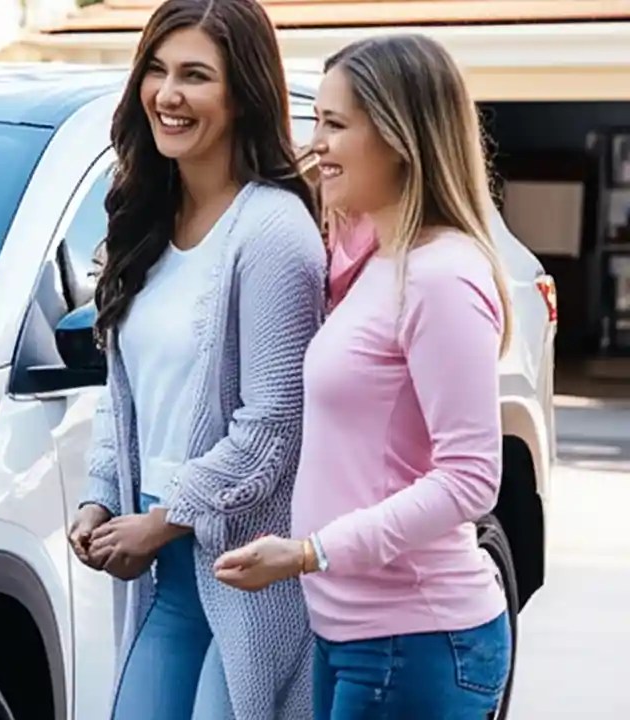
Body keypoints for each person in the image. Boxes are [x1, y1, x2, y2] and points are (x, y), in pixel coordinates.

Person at [212, 33, 515, 720]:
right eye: (317, 121)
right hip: (359, 633)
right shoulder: (379, 259)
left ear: (401, 138)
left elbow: (471, 477)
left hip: (413, 638)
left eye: (336, 125)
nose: (316, 144)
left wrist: (311, 552)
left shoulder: (440, 277)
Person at [63, 1, 326, 718]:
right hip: (168, 573)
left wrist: (166, 520)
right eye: (156, 69)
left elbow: (274, 424)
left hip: (248, 575)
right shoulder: (143, 219)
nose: (167, 94)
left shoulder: (272, 232)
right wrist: (102, 496)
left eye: (195, 75)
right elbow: (127, 397)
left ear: (242, 94)